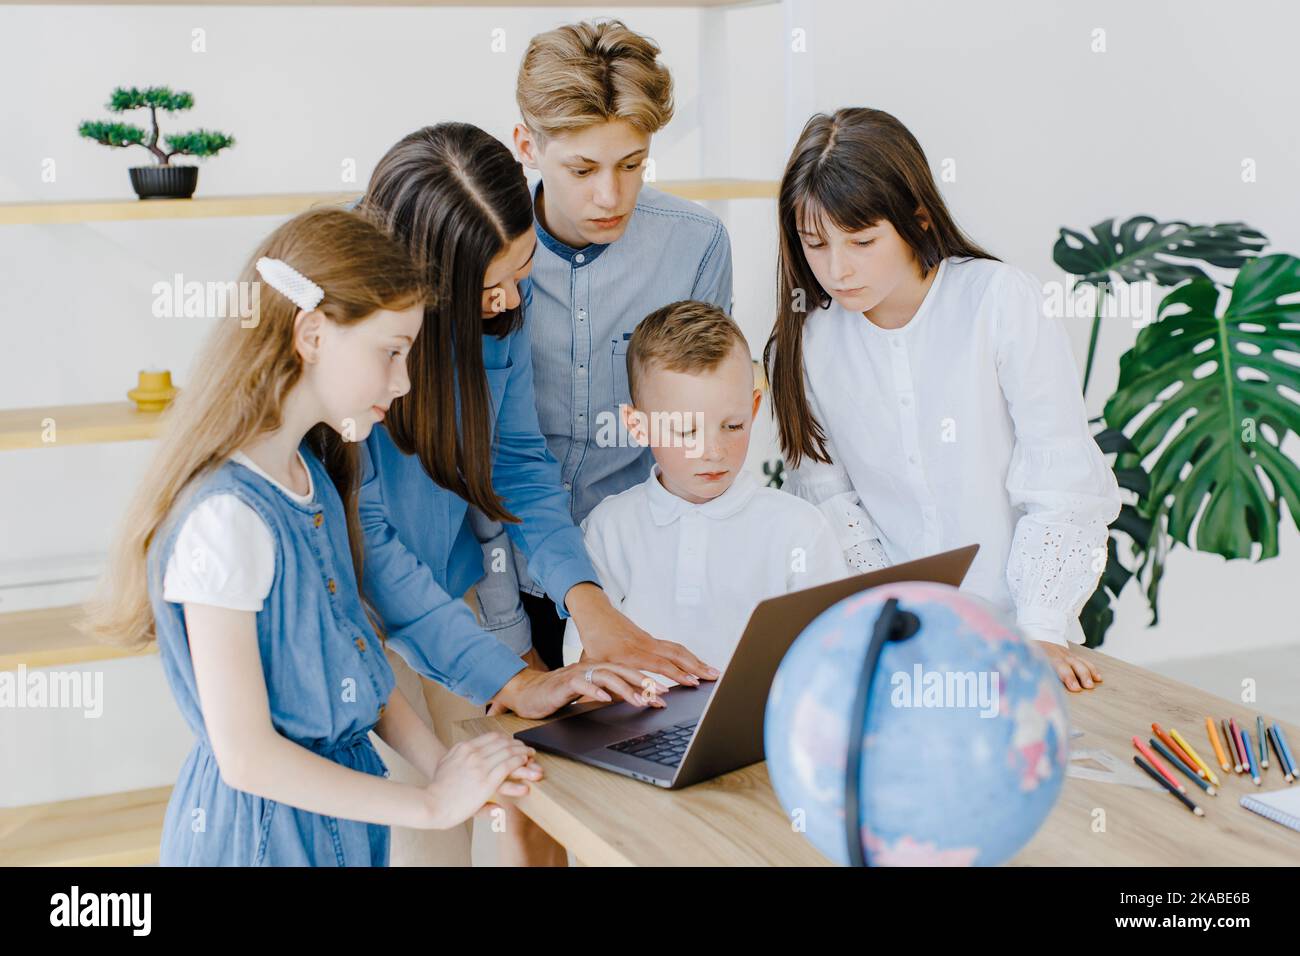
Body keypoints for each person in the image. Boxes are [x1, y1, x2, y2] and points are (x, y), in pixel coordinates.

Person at [82, 208, 540, 865]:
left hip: (337, 829)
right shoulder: (227, 519)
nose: (404, 382)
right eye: (391, 352)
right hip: (264, 840)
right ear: (313, 334)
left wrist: (450, 768)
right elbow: (247, 757)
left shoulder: (315, 478)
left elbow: (364, 663)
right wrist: (434, 806)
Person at [763, 107, 1122, 692]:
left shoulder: (999, 302)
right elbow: (832, 505)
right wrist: (894, 623)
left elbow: (1060, 485)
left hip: (1017, 635)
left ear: (918, 219)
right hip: (894, 644)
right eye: (815, 244)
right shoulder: (803, 344)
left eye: (861, 240)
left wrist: (1041, 631)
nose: (837, 269)